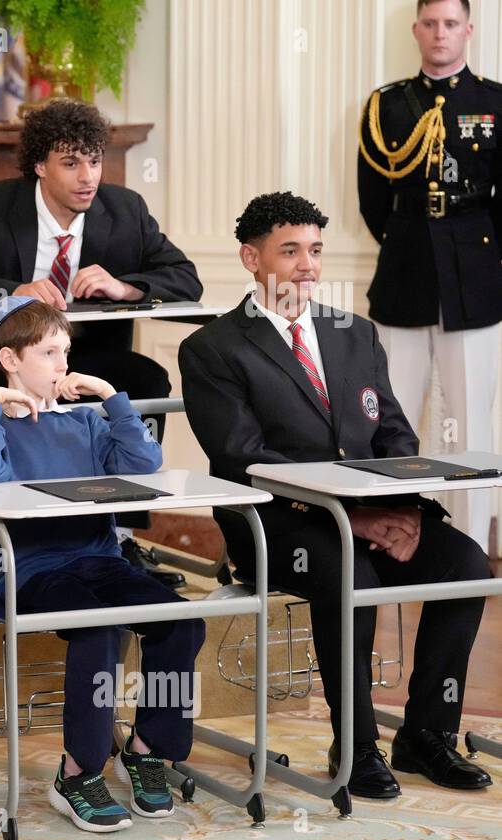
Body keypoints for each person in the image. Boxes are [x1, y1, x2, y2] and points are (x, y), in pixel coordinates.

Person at [179, 191, 493, 799]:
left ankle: (427, 735)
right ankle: (356, 744)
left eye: (315, 250)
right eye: (290, 251)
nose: (307, 265)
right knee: (357, 578)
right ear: (251, 257)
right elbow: (243, 458)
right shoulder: (213, 348)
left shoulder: (354, 334)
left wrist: (405, 509)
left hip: (370, 512)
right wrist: (359, 517)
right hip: (279, 523)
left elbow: (395, 434)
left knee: (467, 565)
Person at [0, 98, 202, 588]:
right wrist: (12, 289)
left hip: (84, 353)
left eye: (94, 160)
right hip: (6, 360)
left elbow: (184, 278)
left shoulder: (125, 209)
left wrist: (126, 287)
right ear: (39, 166)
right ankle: (3, 533)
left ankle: (118, 528)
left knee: (148, 378)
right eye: (71, 163)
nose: (87, 176)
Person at [0, 296, 202, 832]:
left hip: (99, 561)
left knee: (182, 620)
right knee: (99, 630)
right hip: (31, 571)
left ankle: (145, 749)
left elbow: (145, 465)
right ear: (10, 360)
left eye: (66, 351)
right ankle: (77, 772)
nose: (64, 364)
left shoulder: (87, 422)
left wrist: (112, 397)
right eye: (49, 352)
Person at [357, 0, 502, 552]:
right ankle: (395, 539)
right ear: (416, 30)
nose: (440, 34)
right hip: (405, 275)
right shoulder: (386, 105)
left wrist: (486, 260)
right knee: (389, 421)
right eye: (430, 24)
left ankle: (467, 550)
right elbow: (374, 202)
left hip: (475, 280)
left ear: (468, 30)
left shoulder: (493, 102)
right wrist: (405, 246)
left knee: (472, 429)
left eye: (451, 24)